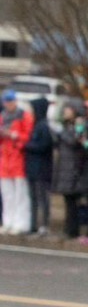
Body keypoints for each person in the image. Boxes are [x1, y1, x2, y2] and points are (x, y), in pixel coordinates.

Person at [54, 99, 88, 239]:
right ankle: (70, 228)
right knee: (69, 201)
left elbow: (76, 140)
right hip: (66, 167)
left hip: (76, 167)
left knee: (77, 201)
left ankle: (77, 230)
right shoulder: (66, 125)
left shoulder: (79, 124)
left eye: (68, 109)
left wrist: (63, 133)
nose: (65, 112)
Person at [22, 97, 54, 234]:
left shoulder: (43, 126)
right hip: (31, 167)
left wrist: (26, 145)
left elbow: (44, 146)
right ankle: (32, 224)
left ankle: (44, 224)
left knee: (42, 197)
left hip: (42, 168)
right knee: (32, 197)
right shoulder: (34, 124)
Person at [0, 90, 30, 234]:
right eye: (6, 101)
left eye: (10, 100)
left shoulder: (23, 115)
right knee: (7, 195)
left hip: (18, 159)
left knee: (20, 195)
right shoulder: (2, 116)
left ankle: (21, 223)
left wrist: (13, 134)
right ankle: (8, 222)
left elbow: (28, 136)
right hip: (4, 160)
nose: (8, 103)